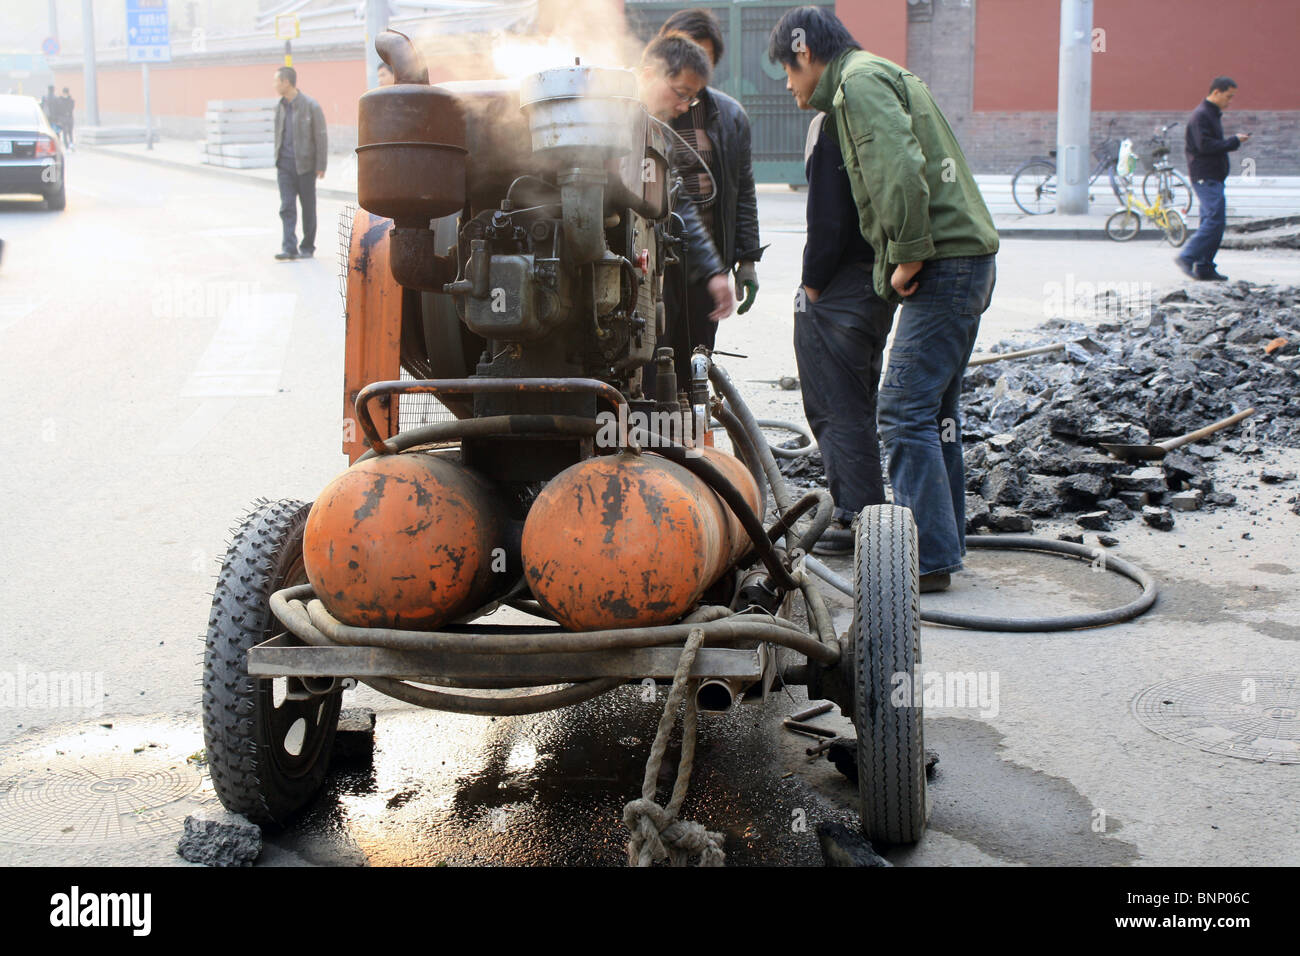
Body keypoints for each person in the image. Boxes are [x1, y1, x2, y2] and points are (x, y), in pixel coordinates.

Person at [769, 6, 999, 591]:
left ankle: (924, 562)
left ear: (804, 55)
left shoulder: (857, 83)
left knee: (900, 411)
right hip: (965, 263)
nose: (792, 90)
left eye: (788, 74)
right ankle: (942, 548)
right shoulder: (879, 72)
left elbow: (899, 168)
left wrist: (909, 255)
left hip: (943, 266)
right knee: (935, 414)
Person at [795, 111, 895, 555]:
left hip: (839, 285)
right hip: (877, 279)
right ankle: (870, 513)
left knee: (835, 404)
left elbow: (827, 217)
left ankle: (858, 515)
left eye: (790, 70)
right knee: (857, 398)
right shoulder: (881, 117)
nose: (788, 86)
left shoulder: (833, 120)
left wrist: (812, 285)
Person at [655, 9, 764, 388]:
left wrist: (745, 260)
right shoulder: (647, 115)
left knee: (697, 356)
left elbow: (742, 189)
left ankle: (688, 422)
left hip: (708, 254)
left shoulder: (729, 115)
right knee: (654, 353)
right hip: (657, 259)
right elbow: (674, 195)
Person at [636, 32, 734, 392]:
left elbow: (679, 202)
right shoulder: (615, 120)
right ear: (648, 74)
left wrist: (713, 271)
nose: (683, 107)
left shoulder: (659, 132)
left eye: (691, 99)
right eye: (680, 93)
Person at [1176, 77, 1249, 282]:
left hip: (1212, 176)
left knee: (1211, 220)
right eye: (1229, 96)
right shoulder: (1201, 116)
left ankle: (1205, 267)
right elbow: (1205, 146)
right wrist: (1233, 141)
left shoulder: (1210, 114)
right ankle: (1187, 256)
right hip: (1205, 176)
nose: (1230, 101)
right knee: (1215, 220)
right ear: (1216, 92)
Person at [272, 66, 328, 260]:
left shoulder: (311, 106)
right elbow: (278, 133)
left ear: (286, 82)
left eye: (276, 81)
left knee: (308, 207)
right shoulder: (279, 106)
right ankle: (289, 247)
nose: (274, 85)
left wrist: (321, 164)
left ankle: (307, 246)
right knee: (286, 206)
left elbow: (321, 136)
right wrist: (277, 159)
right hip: (284, 166)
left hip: (306, 166)